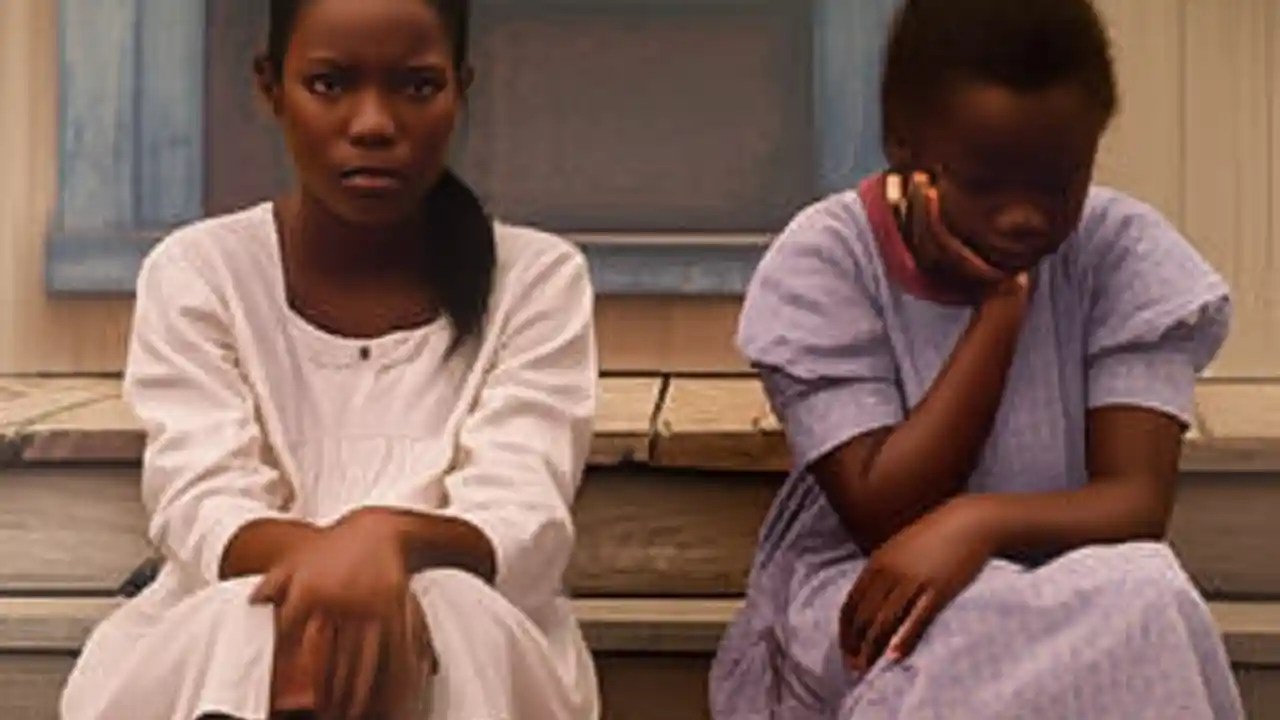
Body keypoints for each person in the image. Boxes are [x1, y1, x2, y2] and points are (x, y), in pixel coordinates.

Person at [60, 0, 599, 717]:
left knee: (452, 602)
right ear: (270, 87)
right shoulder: (199, 271)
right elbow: (201, 499)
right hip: (232, 629)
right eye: (329, 84)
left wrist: (386, 541)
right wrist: (333, 573)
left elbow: (520, 512)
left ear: (460, 90)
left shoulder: (536, 279)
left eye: (417, 86)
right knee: (245, 617)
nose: (373, 123)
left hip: (471, 647)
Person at [710, 0, 1244, 717]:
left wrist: (978, 522)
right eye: (985, 185)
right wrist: (998, 314)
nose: (1023, 216)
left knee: (1148, 593)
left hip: (1071, 569)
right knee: (960, 636)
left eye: (1057, 185)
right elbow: (884, 511)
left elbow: (1136, 502)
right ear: (903, 144)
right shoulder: (830, 261)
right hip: (875, 585)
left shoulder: (1121, 254)